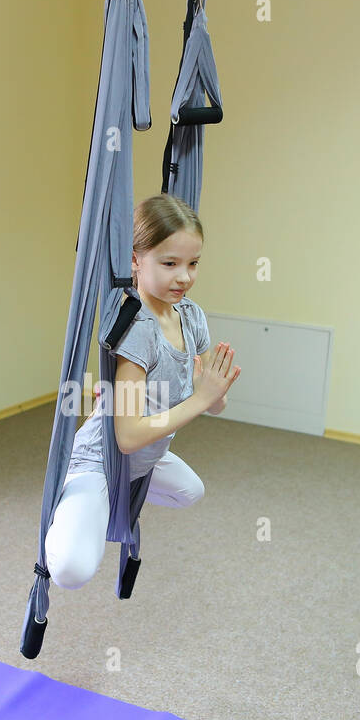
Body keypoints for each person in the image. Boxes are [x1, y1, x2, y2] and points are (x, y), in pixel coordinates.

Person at [45, 193, 240, 590]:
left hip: (146, 457)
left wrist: (213, 394)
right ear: (136, 260)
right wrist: (200, 400)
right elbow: (128, 437)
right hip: (101, 459)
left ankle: (106, 507)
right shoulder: (137, 328)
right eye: (169, 263)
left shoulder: (191, 316)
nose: (183, 277)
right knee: (71, 572)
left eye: (193, 263)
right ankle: (76, 506)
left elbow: (212, 402)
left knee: (190, 491)